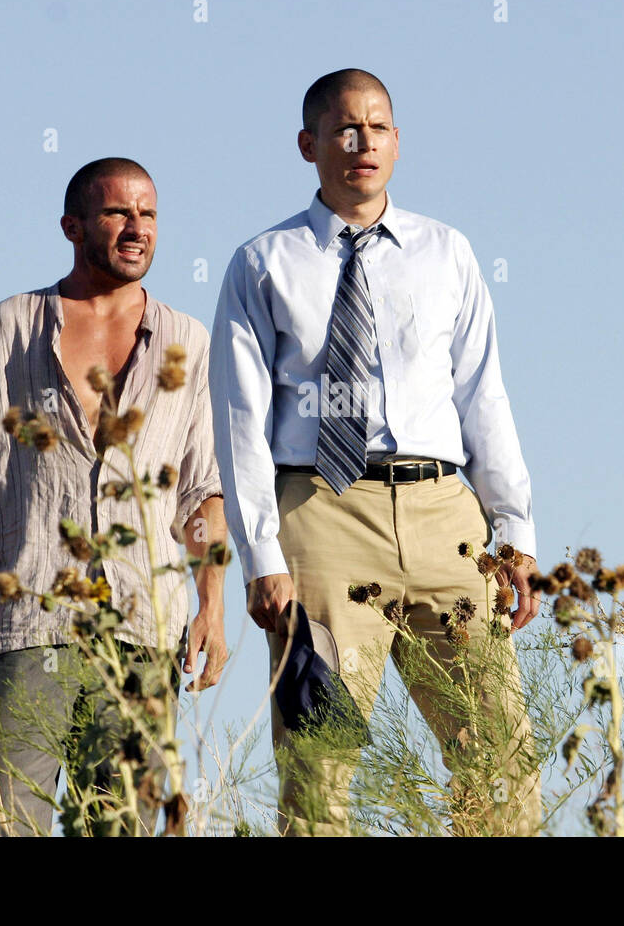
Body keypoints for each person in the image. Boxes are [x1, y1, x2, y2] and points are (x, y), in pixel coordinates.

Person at [210, 69, 542, 835]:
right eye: (344, 129)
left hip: (443, 517)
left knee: (498, 753)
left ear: (398, 140)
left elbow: (483, 395)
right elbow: (240, 417)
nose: (363, 143)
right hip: (322, 517)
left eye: (379, 127)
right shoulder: (263, 262)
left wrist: (516, 533)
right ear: (308, 144)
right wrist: (261, 555)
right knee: (319, 764)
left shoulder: (446, 251)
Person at [0, 157, 227, 836]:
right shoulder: (8, 330)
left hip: (143, 629)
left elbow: (203, 494)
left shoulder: (188, 340)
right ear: (72, 226)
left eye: (148, 214)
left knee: (123, 825)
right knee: (10, 823)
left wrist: (210, 603)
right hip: (27, 620)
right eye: (117, 213)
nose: (136, 228)